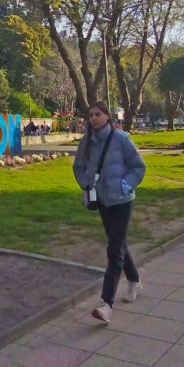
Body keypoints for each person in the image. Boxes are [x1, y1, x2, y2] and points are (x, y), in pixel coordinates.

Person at [72, 101, 146, 324]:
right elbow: (78, 167)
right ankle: (134, 280)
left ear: (107, 117)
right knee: (119, 244)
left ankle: (106, 304)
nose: (93, 118)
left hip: (122, 200)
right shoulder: (87, 141)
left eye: (98, 114)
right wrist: (86, 185)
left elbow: (138, 166)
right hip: (102, 201)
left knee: (114, 249)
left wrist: (128, 183)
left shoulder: (120, 139)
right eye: (90, 115)